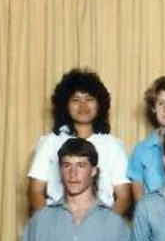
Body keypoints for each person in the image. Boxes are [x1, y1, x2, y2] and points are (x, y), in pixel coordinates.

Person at [26, 68, 132, 217]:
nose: (83, 106)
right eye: (76, 100)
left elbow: (124, 196)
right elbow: (35, 191)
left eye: (89, 99)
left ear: (99, 104)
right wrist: (48, 225)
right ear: (65, 104)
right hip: (57, 222)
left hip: (101, 223)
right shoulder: (50, 142)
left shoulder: (113, 145)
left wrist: (106, 227)